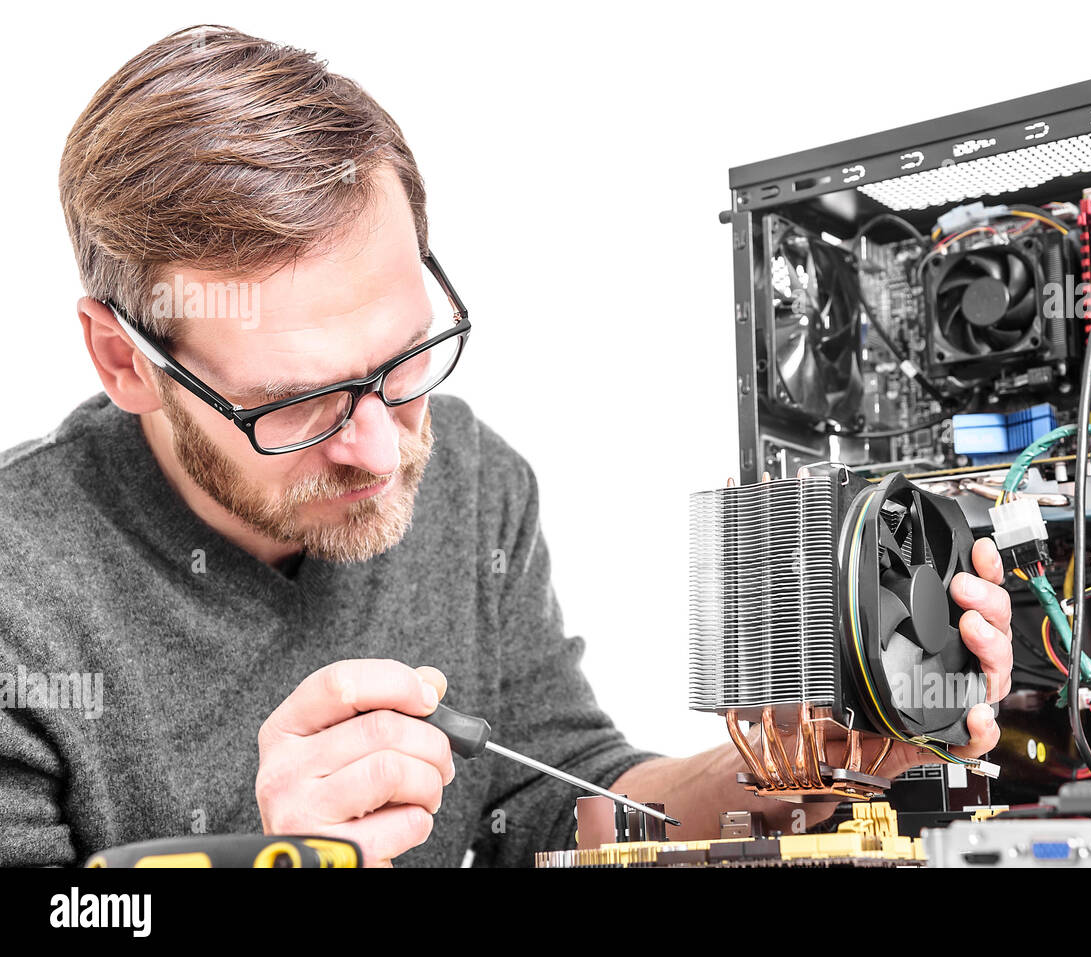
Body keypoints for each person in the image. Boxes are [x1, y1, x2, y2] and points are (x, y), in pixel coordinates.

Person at [0, 25, 1012, 867]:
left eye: (402, 362)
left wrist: (815, 760)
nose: (382, 453)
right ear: (123, 360)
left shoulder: (473, 478)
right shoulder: (21, 604)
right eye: (298, 405)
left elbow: (558, 802)